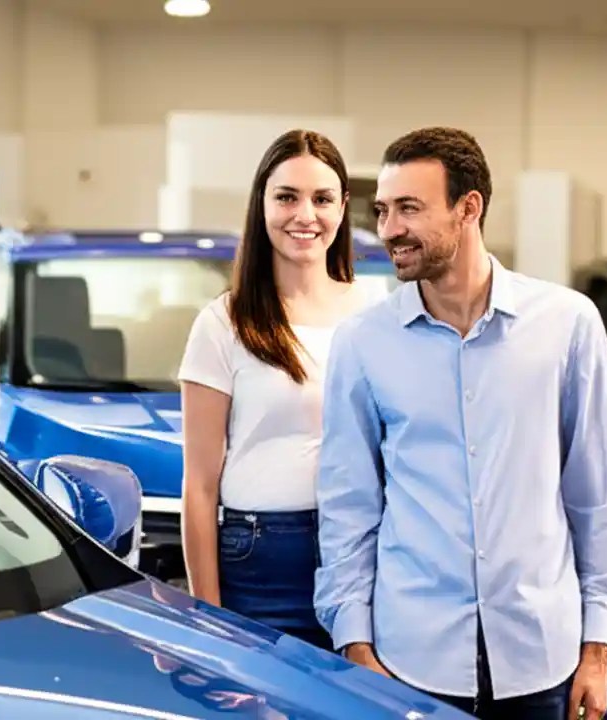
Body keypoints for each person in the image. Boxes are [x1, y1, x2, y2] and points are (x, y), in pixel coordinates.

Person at [313, 127, 607, 720]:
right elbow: (348, 505)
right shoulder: (363, 342)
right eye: (382, 210)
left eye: (409, 208)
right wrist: (354, 641)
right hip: (409, 659)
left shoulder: (567, 324)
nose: (388, 230)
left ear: (468, 208)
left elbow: (596, 497)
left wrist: (597, 648)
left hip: (542, 653)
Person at [177, 129, 370, 651]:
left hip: (360, 555)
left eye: (322, 198)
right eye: (286, 196)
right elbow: (198, 487)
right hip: (259, 560)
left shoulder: (376, 316)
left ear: (343, 207)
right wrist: (206, 616)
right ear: (261, 203)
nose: (304, 215)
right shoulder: (224, 323)